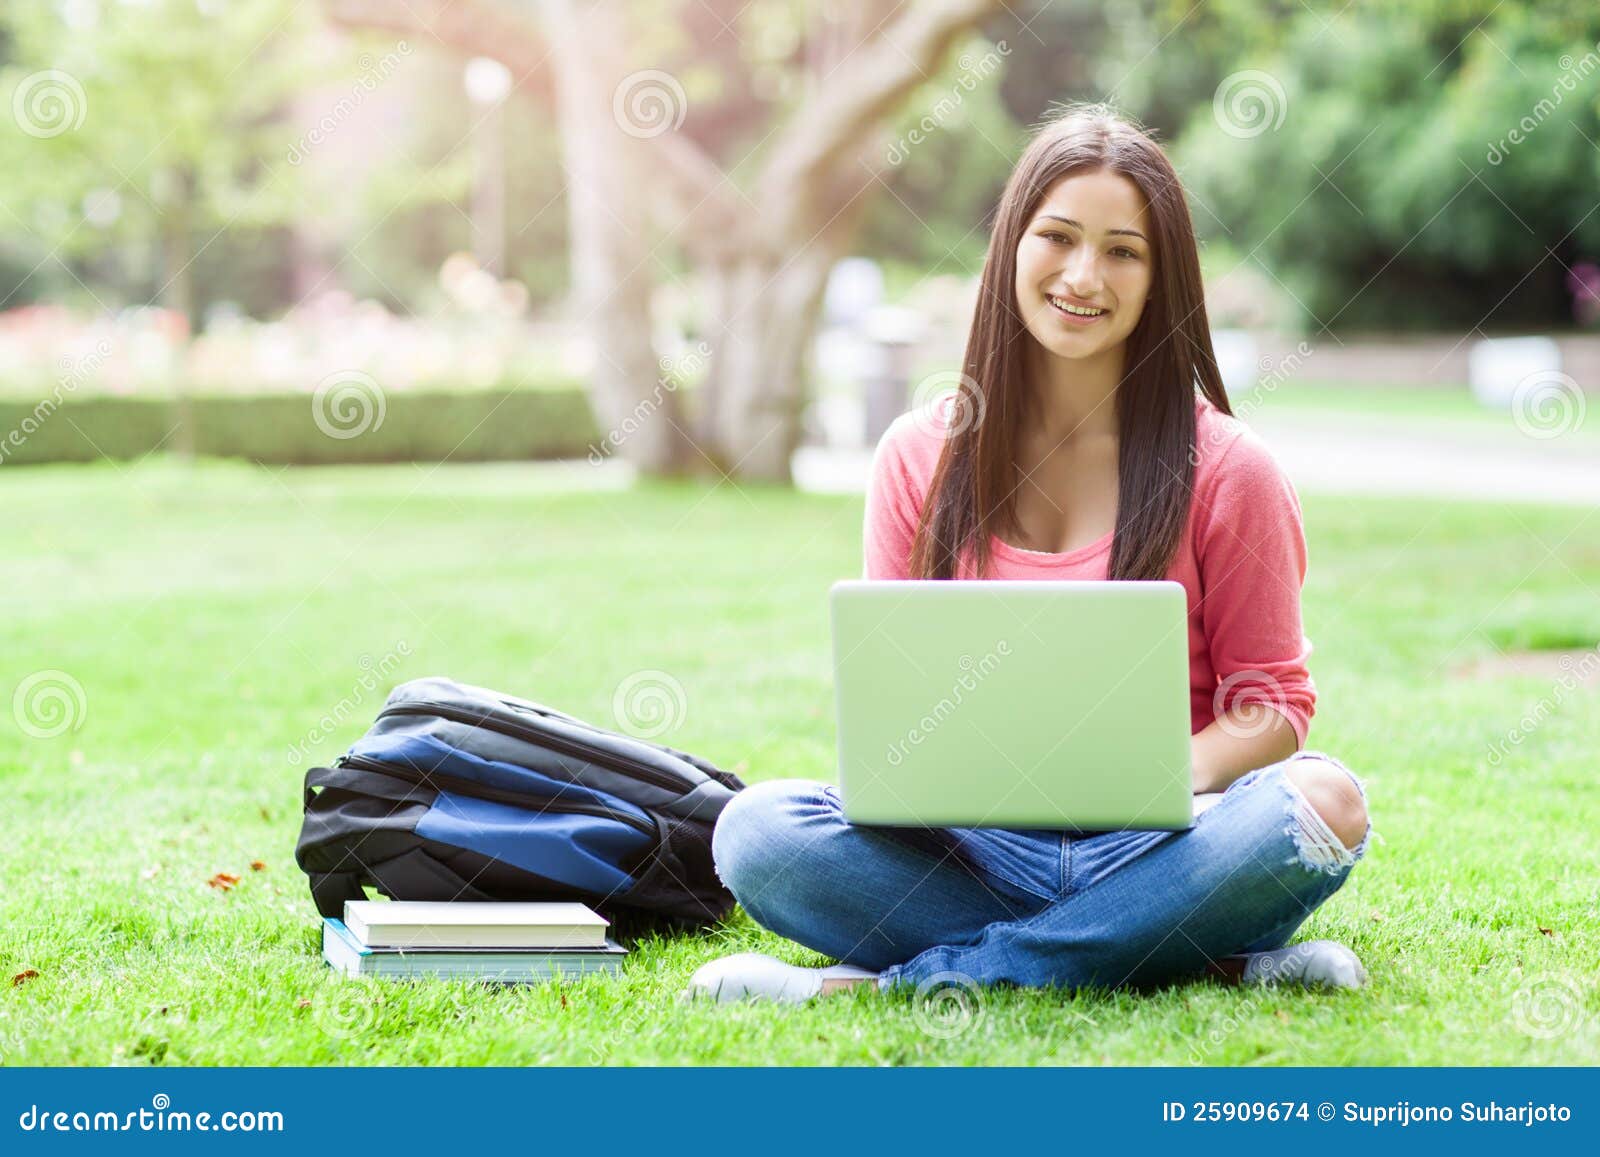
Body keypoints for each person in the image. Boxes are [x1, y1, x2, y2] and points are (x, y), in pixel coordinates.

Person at [687, 104, 1371, 1005]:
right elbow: (893, 708)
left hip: (1169, 843)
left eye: (1124, 250)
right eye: (1059, 237)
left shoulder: (1231, 470)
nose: (1085, 275)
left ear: (1163, 278)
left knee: (1324, 805)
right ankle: (1192, 954)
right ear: (1012, 245)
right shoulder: (917, 457)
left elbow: (1274, 704)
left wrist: (1164, 776)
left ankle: (907, 982)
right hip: (974, 849)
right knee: (755, 831)